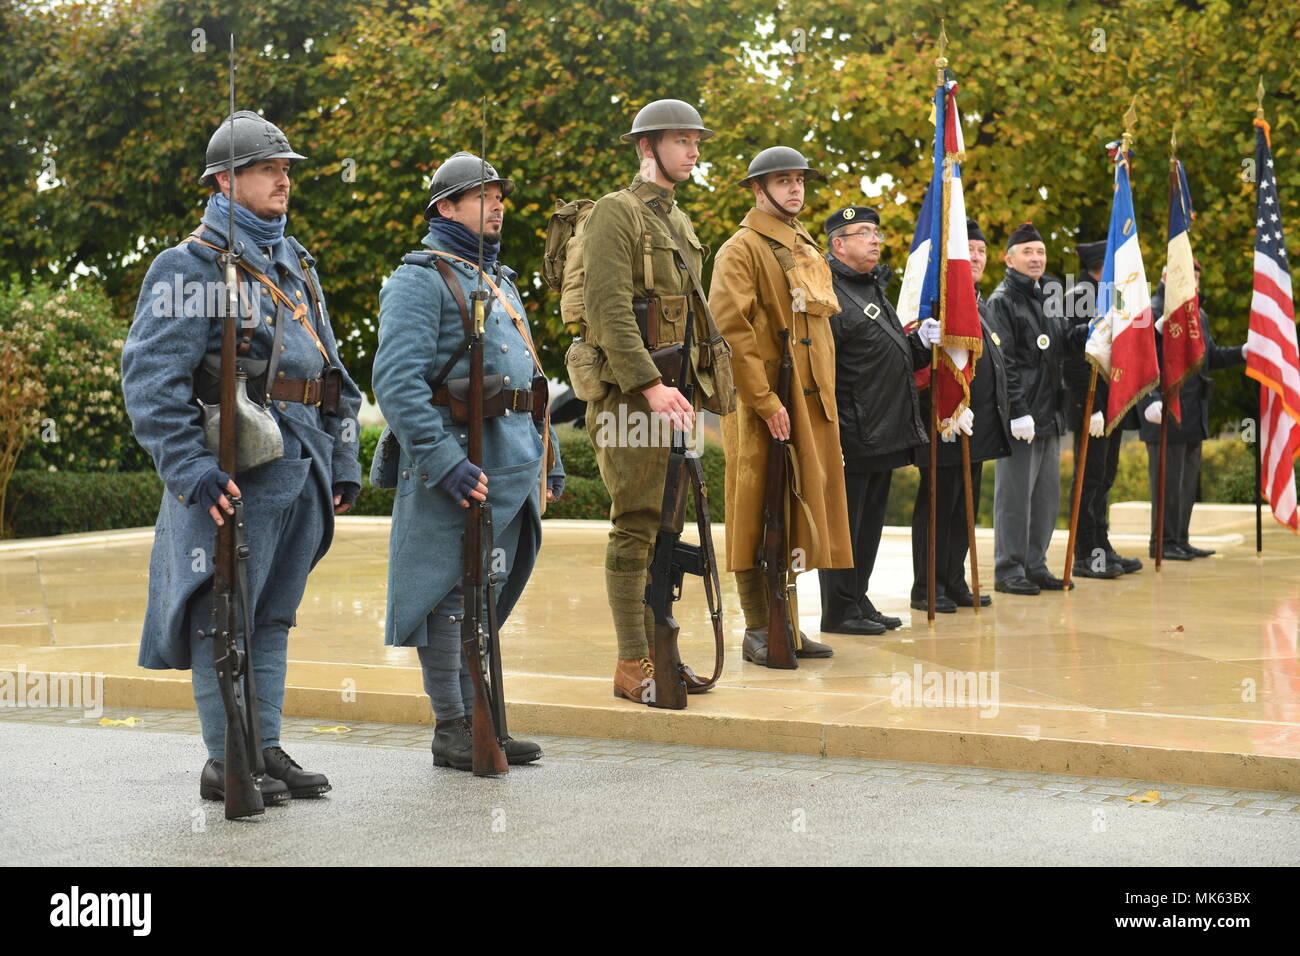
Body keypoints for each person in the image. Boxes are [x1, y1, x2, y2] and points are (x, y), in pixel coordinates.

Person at [122, 111, 362, 803]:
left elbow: (333, 372)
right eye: (268, 168)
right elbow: (150, 383)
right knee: (219, 615)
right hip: (232, 474)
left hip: (303, 465)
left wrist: (343, 458)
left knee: (272, 615)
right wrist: (191, 471)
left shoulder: (294, 261)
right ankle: (227, 759)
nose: (284, 178)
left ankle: (263, 745)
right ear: (225, 181)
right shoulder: (189, 265)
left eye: (286, 168)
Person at [370, 150, 562, 768]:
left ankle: (486, 715)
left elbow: (532, 381)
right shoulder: (419, 280)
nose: (498, 204)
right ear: (445, 207)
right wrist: (443, 462)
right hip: (455, 465)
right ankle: (452, 725)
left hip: (510, 461)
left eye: (499, 195)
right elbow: (397, 385)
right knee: (447, 596)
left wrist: (548, 460)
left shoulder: (500, 283)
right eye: (482, 196)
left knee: (486, 594)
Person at [578, 100, 722, 702]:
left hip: (674, 396)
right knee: (634, 524)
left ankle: (662, 651)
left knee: (667, 526)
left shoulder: (678, 220)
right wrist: (648, 385)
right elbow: (608, 309)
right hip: (632, 398)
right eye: (681, 141)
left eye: (695, 141)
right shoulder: (616, 213)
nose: (693, 151)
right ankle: (631, 661)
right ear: (647, 147)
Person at [709, 147, 850, 664]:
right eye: (782, 181)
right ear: (756, 189)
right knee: (756, 510)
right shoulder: (740, 249)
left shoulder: (803, 245)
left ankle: (786, 625)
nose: (795, 189)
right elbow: (729, 332)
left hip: (808, 404)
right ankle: (757, 628)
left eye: (799, 180)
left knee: (795, 511)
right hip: (762, 403)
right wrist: (765, 401)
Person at [819, 205, 934, 633]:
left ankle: (857, 597)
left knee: (869, 526)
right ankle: (838, 609)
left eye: (875, 233)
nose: (874, 240)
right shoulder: (830, 290)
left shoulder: (868, 286)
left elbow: (887, 353)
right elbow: (825, 365)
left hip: (883, 429)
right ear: (838, 244)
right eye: (862, 233)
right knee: (846, 526)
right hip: (853, 430)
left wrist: (918, 344)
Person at [911, 218, 1012, 611]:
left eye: (982, 251)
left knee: (959, 508)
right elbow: (922, 361)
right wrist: (948, 407)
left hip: (974, 423)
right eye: (968, 249)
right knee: (938, 504)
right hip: (943, 418)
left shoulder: (977, 302)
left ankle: (952, 580)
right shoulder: (941, 298)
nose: (975, 256)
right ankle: (927, 587)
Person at [1138, 262, 1247, 559]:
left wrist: (1243, 352)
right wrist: (1150, 400)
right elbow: (1140, 360)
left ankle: (1180, 539)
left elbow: (1209, 357)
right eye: (1186, 277)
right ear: (1164, 278)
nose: (1193, 283)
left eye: (1196, 278)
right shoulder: (1151, 311)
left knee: (1186, 483)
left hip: (1193, 410)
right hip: (1163, 409)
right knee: (1167, 483)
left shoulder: (1198, 315)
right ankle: (1162, 543)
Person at [985, 221, 1071, 595]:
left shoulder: (1049, 293)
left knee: (1046, 496)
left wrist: (1094, 330)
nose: (1036, 258)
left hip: (1050, 412)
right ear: (1009, 259)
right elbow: (1006, 361)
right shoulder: (1002, 299)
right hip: (1021, 416)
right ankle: (1009, 568)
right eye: (1028, 252)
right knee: (1015, 496)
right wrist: (1018, 409)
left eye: (1040, 252)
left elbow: (1062, 342)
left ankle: (1036, 564)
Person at [1063, 240, 1143, 578]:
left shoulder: (1111, 294)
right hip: (1092, 406)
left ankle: (1102, 546)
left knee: (1105, 477)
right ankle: (1087, 555)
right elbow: (1074, 357)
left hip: (1112, 400)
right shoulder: (1078, 296)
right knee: (1089, 479)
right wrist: (1090, 405)